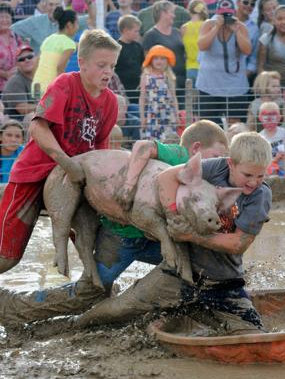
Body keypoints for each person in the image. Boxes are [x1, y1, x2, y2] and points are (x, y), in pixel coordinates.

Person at [0, 120, 229, 325]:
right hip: (120, 236)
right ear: (196, 149)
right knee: (91, 290)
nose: (218, 165)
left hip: (149, 238)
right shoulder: (177, 156)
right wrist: (129, 185)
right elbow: (142, 147)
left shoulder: (205, 183)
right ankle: (15, 307)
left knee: (199, 266)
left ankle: (172, 310)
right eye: (216, 156)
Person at [74, 131, 273, 334]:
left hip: (222, 282)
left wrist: (190, 236)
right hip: (178, 273)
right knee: (121, 308)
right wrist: (173, 216)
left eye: (261, 176)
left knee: (252, 333)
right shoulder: (215, 167)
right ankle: (76, 325)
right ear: (231, 164)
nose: (253, 182)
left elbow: (238, 243)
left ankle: (173, 314)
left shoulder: (260, 196)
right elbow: (166, 177)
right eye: (248, 175)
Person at [0, 29, 119, 276]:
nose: (108, 72)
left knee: (95, 249)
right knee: (6, 257)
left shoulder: (110, 102)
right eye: (101, 65)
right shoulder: (65, 84)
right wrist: (65, 161)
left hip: (76, 179)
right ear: (82, 62)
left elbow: (101, 147)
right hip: (35, 172)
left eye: (112, 65)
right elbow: (36, 126)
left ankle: (93, 289)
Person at [196, 0, 251, 124]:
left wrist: (236, 31)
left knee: (236, 125)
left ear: (234, 13)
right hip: (209, 86)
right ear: (216, 14)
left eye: (229, 14)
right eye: (223, 14)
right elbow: (201, 46)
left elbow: (247, 50)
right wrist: (216, 27)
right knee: (208, 125)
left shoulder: (240, 27)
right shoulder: (208, 24)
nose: (226, 17)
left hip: (235, 87)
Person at [11, 0, 88, 54]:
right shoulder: (35, 21)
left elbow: (91, 19)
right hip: (40, 67)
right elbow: (12, 29)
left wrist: (90, 2)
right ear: (45, 6)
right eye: (50, 4)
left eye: (57, 5)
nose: (54, 8)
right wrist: (22, 45)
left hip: (63, 66)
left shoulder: (70, 19)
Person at [142, 0, 186, 101]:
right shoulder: (150, 35)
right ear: (163, 13)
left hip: (181, 81)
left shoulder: (177, 32)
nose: (174, 16)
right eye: (171, 12)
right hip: (162, 84)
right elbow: (147, 62)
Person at [32, 7, 79, 96]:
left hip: (37, 86)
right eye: (77, 23)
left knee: (42, 110)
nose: (77, 27)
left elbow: (36, 62)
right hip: (51, 89)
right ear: (69, 25)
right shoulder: (69, 43)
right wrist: (62, 89)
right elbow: (60, 67)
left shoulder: (48, 39)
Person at [139, 45, 178, 141]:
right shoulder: (146, 76)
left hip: (168, 115)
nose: (159, 61)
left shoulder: (168, 76)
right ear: (151, 60)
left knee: (168, 140)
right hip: (153, 115)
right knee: (153, 141)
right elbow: (142, 97)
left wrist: (176, 115)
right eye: (156, 58)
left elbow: (174, 97)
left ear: (166, 61)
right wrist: (142, 116)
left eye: (162, 59)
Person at [2, 44, 37, 121]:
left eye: (30, 57)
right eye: (22, 59)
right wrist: (46, 107)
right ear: (17, 64)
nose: (27, 60)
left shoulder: (40, 78)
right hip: (15, 125)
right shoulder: (15, 81)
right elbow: (22, 109)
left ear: (36, 58)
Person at [115, 14, 144, 104]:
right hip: (123, 90)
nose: (138, 34)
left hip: (137, 89)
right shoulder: (115, 48)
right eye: (136, 31)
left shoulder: (138, 46)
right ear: (126, 31)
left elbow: (143, 66)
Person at [181, 0, 208, 87]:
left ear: (189, 10)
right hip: (205, 66)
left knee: (190, 98)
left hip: (189, 67)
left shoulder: (184, 27)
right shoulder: (207, 25)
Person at [0, 4, 22, 94]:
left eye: (7, 17)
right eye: (1, 17)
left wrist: (17, 68)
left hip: (14, 84)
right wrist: (6, 74)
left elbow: (22, 55)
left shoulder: (16, 36)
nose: (4, 20)